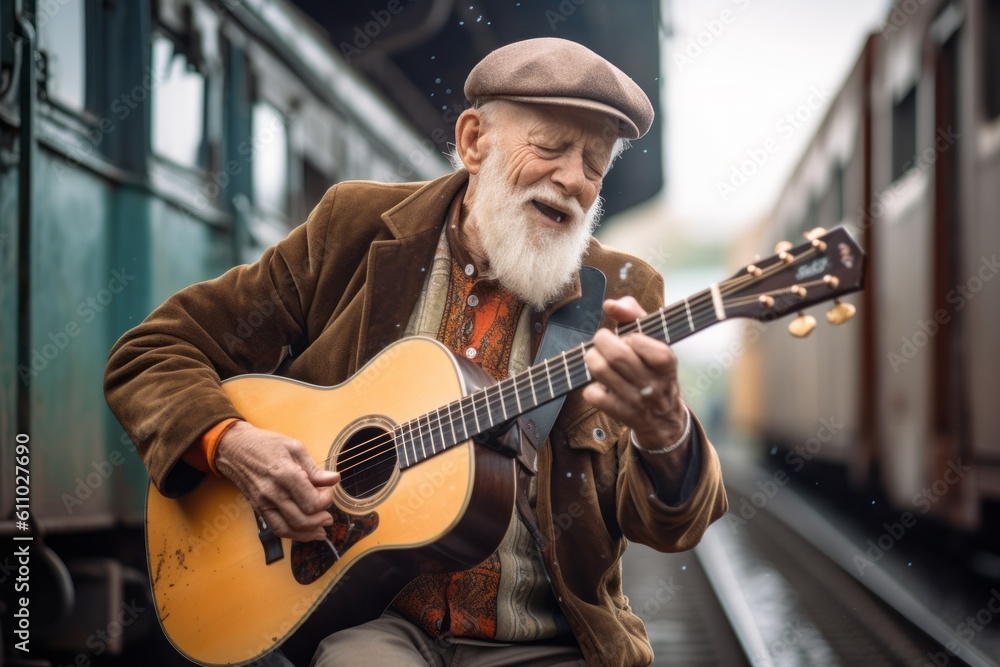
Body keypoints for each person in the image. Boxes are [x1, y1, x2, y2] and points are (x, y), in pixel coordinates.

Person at [105, 38, 727, 667]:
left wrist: (665, 430)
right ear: (474, 140)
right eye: (550, 147)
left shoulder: (622, 294)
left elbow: (669, 527)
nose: (573, 179)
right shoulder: (353, 227)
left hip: (541, 639)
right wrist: (231, 443)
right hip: (369, 621)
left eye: (595, 164)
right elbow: (154, 350)